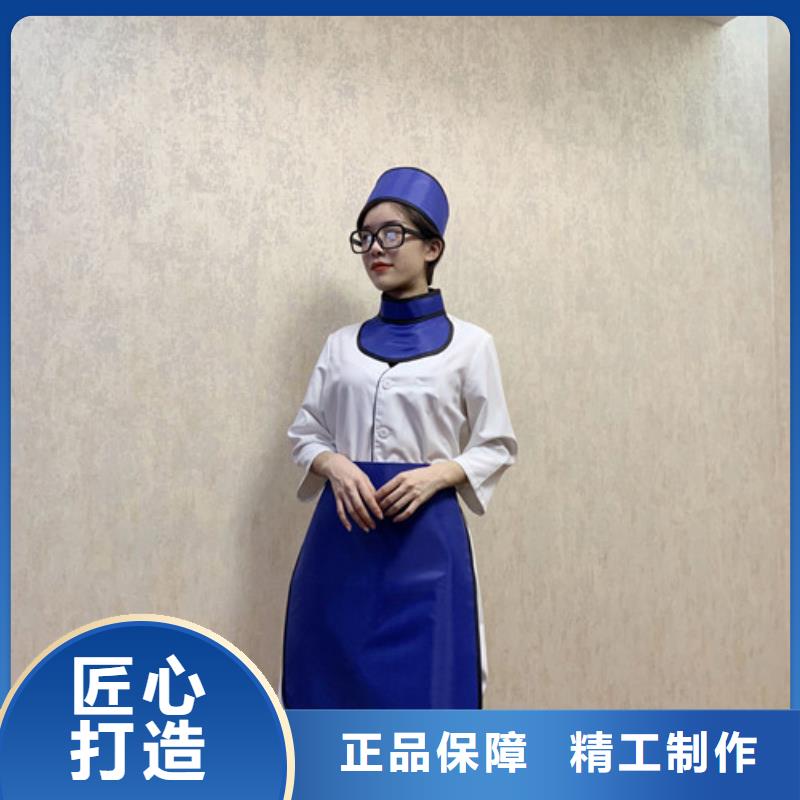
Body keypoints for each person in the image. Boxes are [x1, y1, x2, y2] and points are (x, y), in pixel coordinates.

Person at [281, 166, 517, 709]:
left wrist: (439, 474)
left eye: (391, 234)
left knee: (428, 697)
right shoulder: (340, 345)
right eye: (365, 237)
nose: (374, 249)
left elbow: (496, 444)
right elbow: (306, 433)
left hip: (426, 549)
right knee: (326, 695)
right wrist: (335, 466)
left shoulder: (472, 346)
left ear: (432, 247)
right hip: (341, 543)